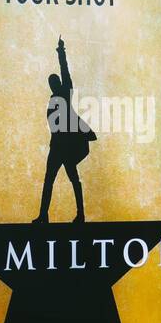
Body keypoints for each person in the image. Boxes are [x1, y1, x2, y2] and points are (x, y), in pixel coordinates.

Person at [33, 36, 96, 224]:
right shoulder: (53, 100)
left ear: (58, 83)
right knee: (49, 181)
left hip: (66, 147)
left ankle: (80, 215)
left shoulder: (65, 93)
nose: (53, 84)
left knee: (72, 180)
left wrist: (61, 52)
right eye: (51, 82)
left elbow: (65, 70)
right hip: (57, 146)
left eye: (55, 81)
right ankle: (44, 215)